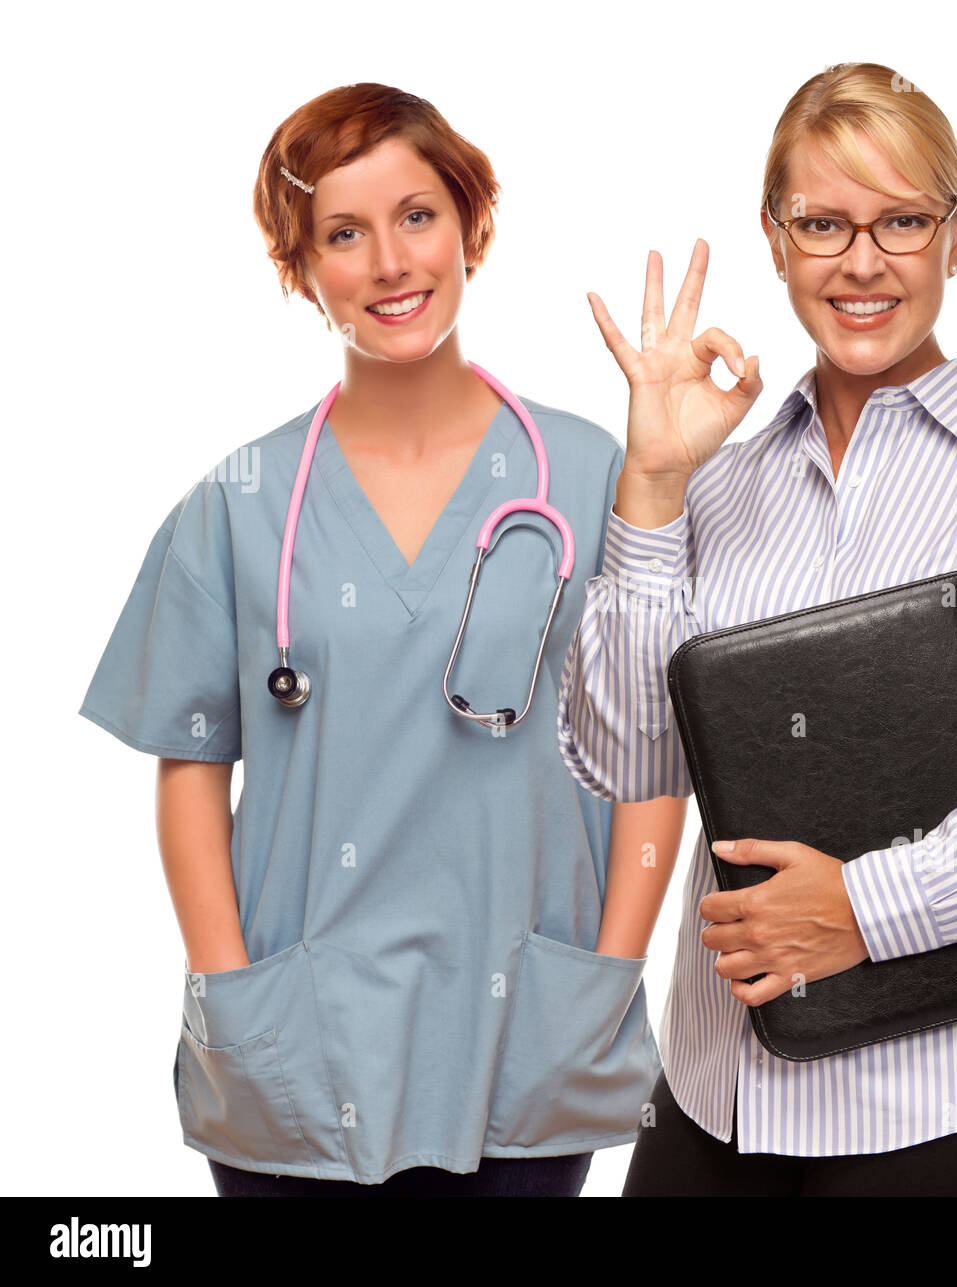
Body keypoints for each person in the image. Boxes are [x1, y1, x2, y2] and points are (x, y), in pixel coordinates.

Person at [556, 61, 957, 1196]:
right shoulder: (715, 491)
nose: (862, 262)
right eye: (823, 224)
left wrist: (867, 907)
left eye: (902, 220)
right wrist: (652, 487)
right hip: (723, 1096)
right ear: (774, 237)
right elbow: (625, 760)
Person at [78, 82, 687, 1197]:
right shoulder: (239, 501)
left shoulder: (597, 473)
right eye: (342, 235)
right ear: (301, 269)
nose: (391, 262)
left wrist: (608, 971)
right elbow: (191, 771)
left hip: (526, 1026)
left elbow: (654, 750)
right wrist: (230, 992)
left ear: (470, 224)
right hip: (299, 1039)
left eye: (417, 215)